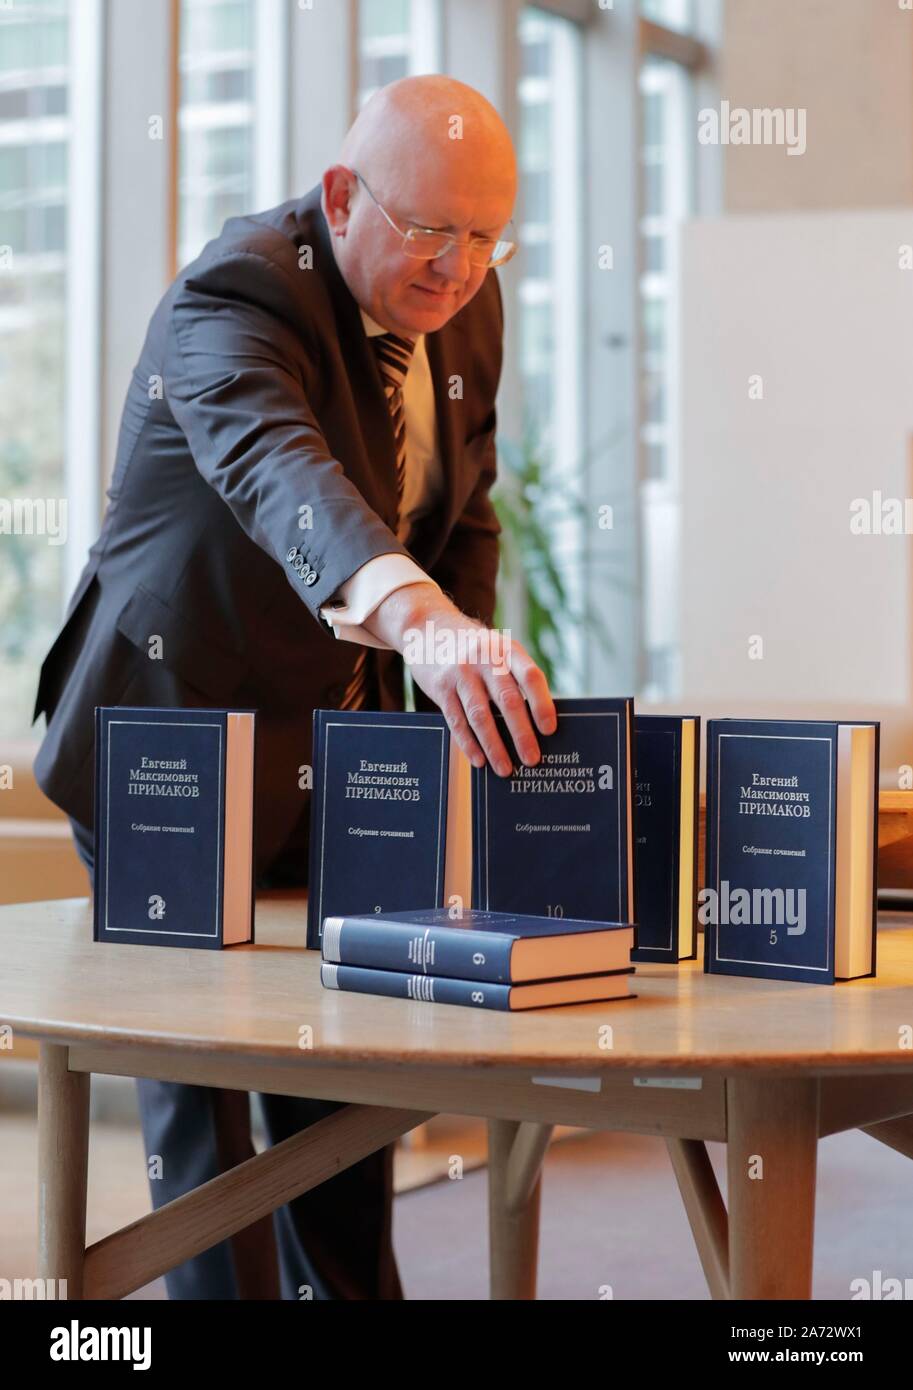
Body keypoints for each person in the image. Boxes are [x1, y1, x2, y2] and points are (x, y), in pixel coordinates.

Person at [31, 74, 557, 1299]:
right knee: (202, 1086)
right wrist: (418, 622)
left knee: (339, 1064)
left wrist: (455, 676)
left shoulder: (464, 311)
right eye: (431, 230)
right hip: (171, 738)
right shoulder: (239, 292)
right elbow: (285, 478)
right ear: (339, 195)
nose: (459, 267)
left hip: (338, 741)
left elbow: (458, 510)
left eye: (487, 236)